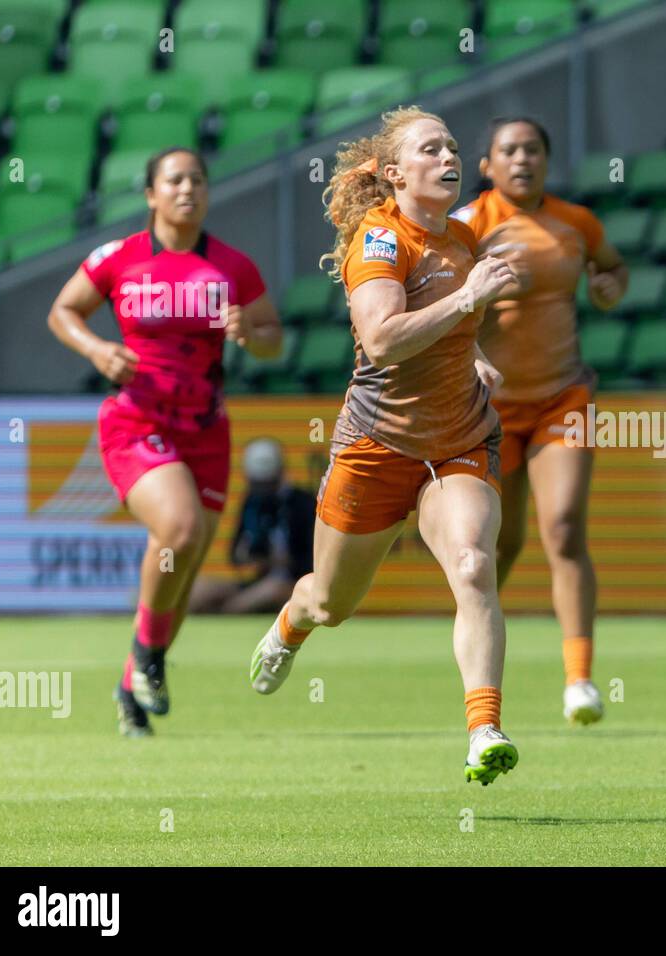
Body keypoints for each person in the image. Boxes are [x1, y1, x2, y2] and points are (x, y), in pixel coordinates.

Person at [246, 106, 521, 786]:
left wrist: (475, 354)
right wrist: (467, 305)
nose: (449, 156)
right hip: (375, 447)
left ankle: (484, 730)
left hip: (457, 441)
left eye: (453, 145)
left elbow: (449, 328)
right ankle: (291, 622)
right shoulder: (379, 237)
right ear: (396, 174)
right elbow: (382, 338)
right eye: (432, 148)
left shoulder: (463, 238)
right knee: (331, 604)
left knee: (471, 563)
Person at [47, 146, 282, 737]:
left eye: (198, 180)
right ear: (150, 194)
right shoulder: (119, 257)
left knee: (184, 565)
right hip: (137, 421)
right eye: (174, 181)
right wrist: (97, 349)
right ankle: (150, 657)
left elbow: (275, 337)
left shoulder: (232, 265)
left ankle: (131, 683)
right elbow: (63, 312)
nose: (188, 190)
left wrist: (251, 334)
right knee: (176, 529)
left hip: (205, 428)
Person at [454, 117, 628, 725]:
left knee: (562, 528)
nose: (522, 159)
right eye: (509, 149)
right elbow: (441, 307)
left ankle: (579, 680)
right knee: (499, 545)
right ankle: (479, 665)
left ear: (547, 160)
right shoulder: (467, 226)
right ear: (487, 164)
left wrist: (607, 286)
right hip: (490, 408)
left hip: (563, 398)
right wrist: (472, 357)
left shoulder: (576, 223)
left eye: (533, 149)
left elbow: (612, 269)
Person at [188, 438, 316, 615]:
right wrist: (249, 556)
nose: (263, 490)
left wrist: (287, 561)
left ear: (280, 473)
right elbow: (234, 555)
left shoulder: (305, 504)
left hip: (294, 585)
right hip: (258, 583)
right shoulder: (252, 503)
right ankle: (227, 609)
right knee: (199, 590)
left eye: (268, 483)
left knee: (272, 591)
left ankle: (226, 614)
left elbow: (317, 559)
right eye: (258, 484)